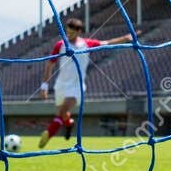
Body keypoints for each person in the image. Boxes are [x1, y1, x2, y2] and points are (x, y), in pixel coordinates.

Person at [37, 16, 137, 148]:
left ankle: (48, 134)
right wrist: (44, 86)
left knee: (62, 112)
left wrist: (124, 38)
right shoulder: (60, 45)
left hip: (76, 87)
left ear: (79, 32)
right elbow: (49, 65)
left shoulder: (87, 44)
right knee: (63, 114)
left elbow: (107, 43)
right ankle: (69, 124)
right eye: (67, 32)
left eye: (72, 32)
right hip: (61, 85)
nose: (69, 35)